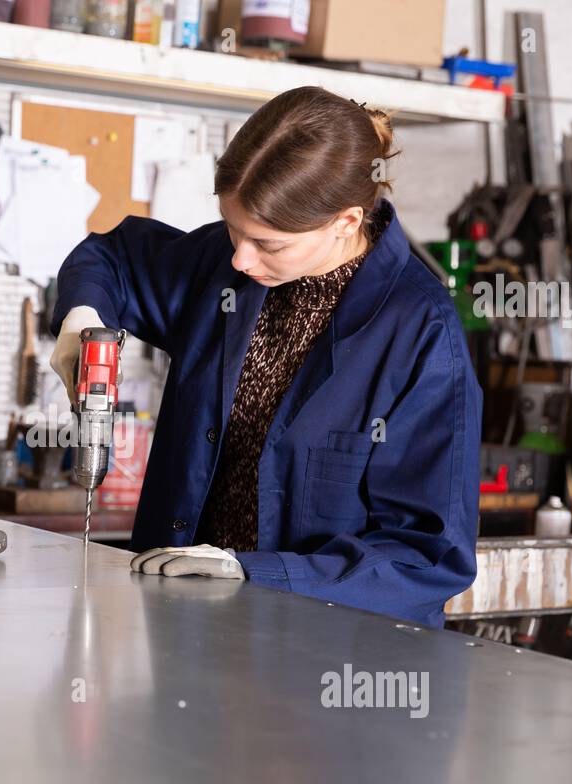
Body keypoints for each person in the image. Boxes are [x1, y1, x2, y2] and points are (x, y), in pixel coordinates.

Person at [49, 86, 481, 628]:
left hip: (324, 669)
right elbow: (113, 258)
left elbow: (428, 559)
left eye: (268, 244)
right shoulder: (222, 267)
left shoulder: (422, 334)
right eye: (233, 229)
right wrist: (81, 318)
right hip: (180, 637)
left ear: (346, 221)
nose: (240, 257)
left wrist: (255, 573)